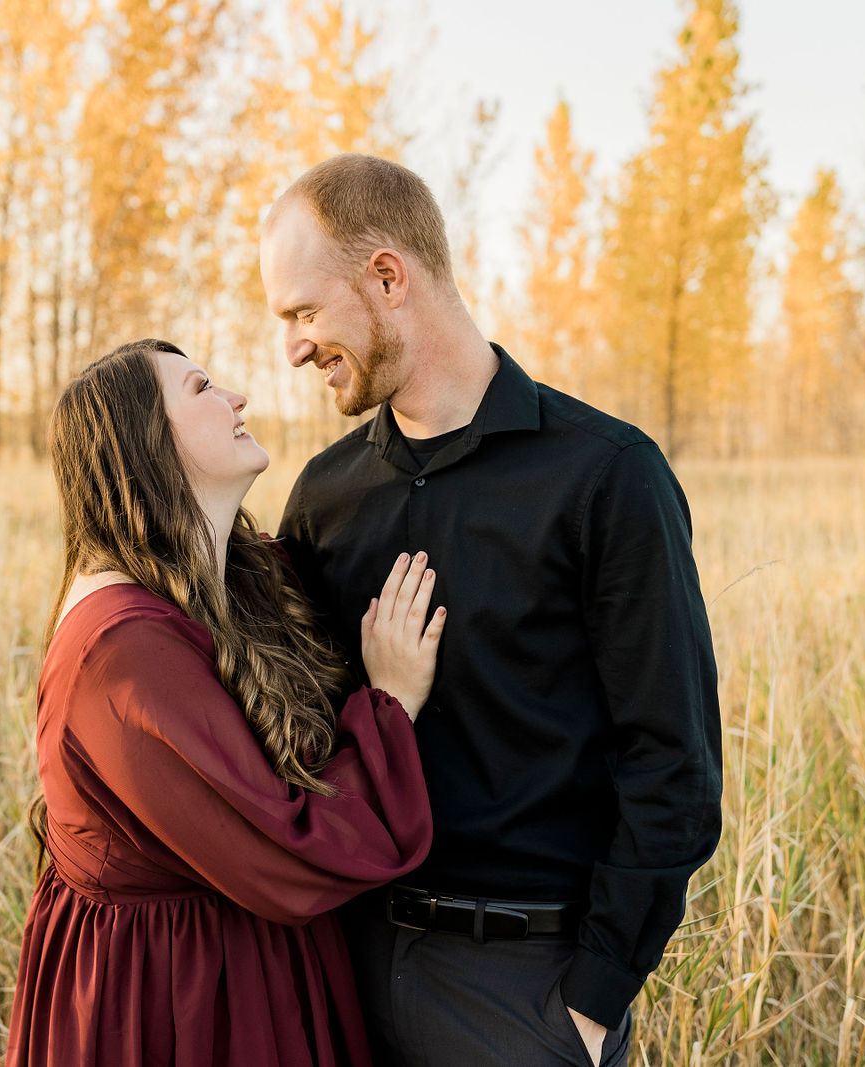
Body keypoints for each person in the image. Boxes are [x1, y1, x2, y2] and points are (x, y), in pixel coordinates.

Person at [260, 154, 723, 1067]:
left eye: (304, 313)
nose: (295, 349)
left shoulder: (605, 476)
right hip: (347, 969)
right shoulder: (324, 496)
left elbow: (674, 760)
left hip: (521, 991)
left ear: (388, 277)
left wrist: (591, 1001)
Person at [5, 338, 447, 1067]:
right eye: (202, 388)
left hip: (237, 972)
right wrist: (391, 698)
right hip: (172, 1005)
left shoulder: (231, 577)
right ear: (146, 443)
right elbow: (288, 851)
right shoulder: (122, 652)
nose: (236, 397)